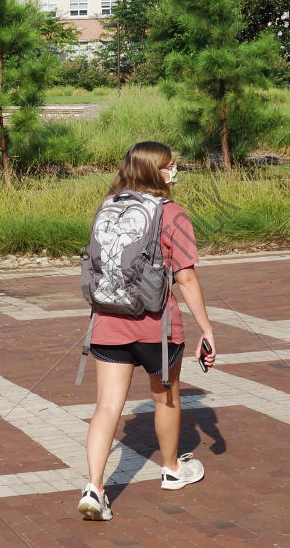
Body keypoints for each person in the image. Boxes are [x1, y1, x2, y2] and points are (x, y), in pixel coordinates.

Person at [78, 141, 216, 521]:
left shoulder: (107, 207)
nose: (176, 170)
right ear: (156, 172)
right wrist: (206, 328)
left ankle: (94, 488)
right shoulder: (171, 214)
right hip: (157, 328)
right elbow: (185, 278)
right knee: (165, 399)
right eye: (171, 165)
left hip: (107, 322)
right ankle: (172, 469)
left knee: (106, 406)